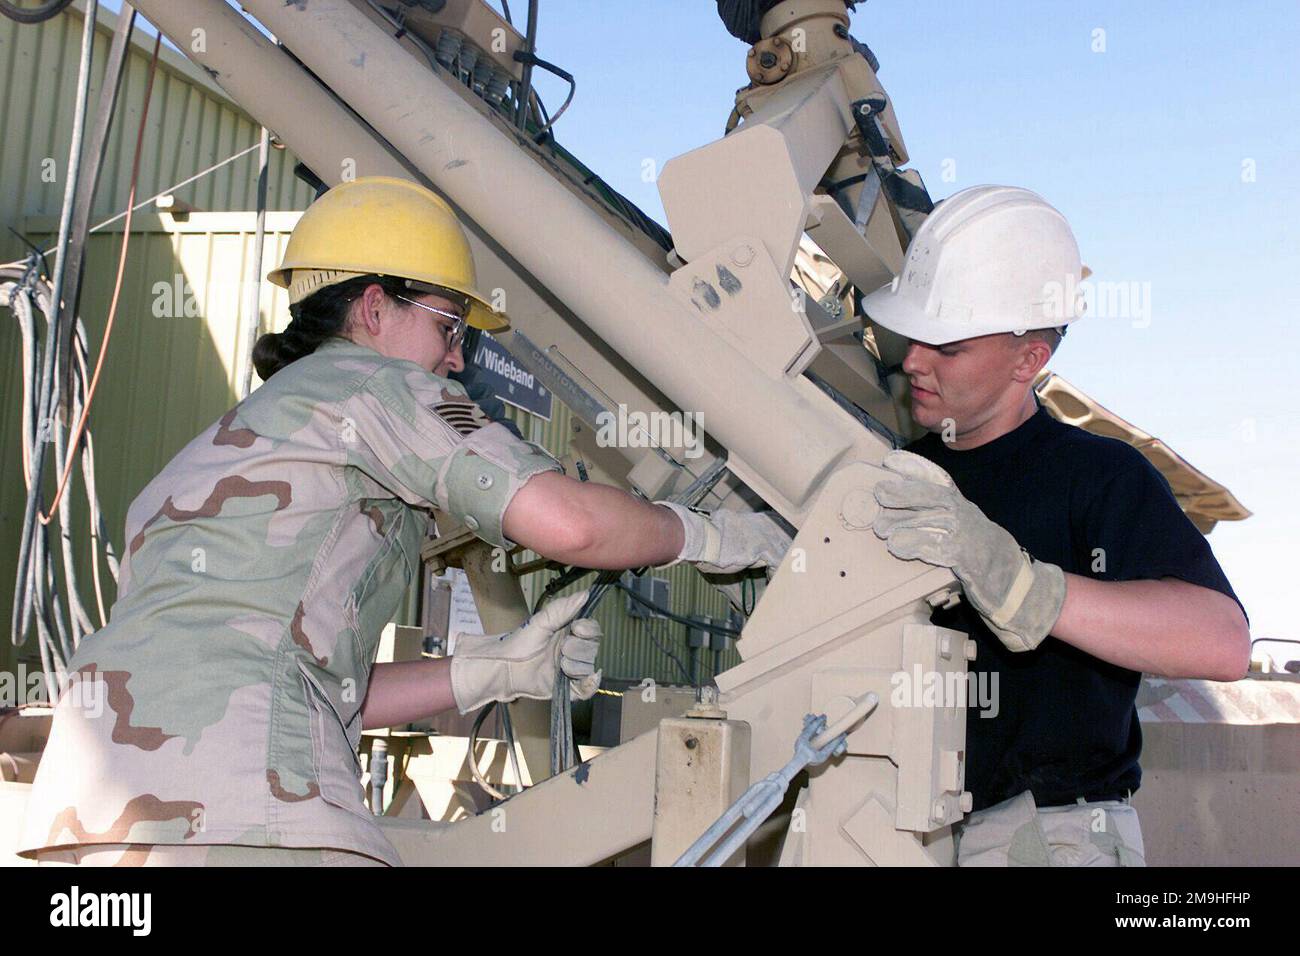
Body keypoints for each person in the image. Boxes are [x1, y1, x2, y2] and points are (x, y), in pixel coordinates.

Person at [19, 176, 789, 866]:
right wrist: (711, 536)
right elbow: (570, 525)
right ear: (375, 307)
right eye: (450, 327)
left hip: (89, 823)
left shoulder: (217, 453)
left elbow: (304, 678)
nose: (456, 359)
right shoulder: (374, 386)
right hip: (244, 813)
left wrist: (492, 668)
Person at [862, 184, 1250, 867]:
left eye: (945, 346)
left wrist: (1019, 584)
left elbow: (1220, 643)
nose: (913, 360)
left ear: (1028, 360)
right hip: (893, 825)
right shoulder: (900, 479)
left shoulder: (1099, 477)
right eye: (913, 336)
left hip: (1054, 838)